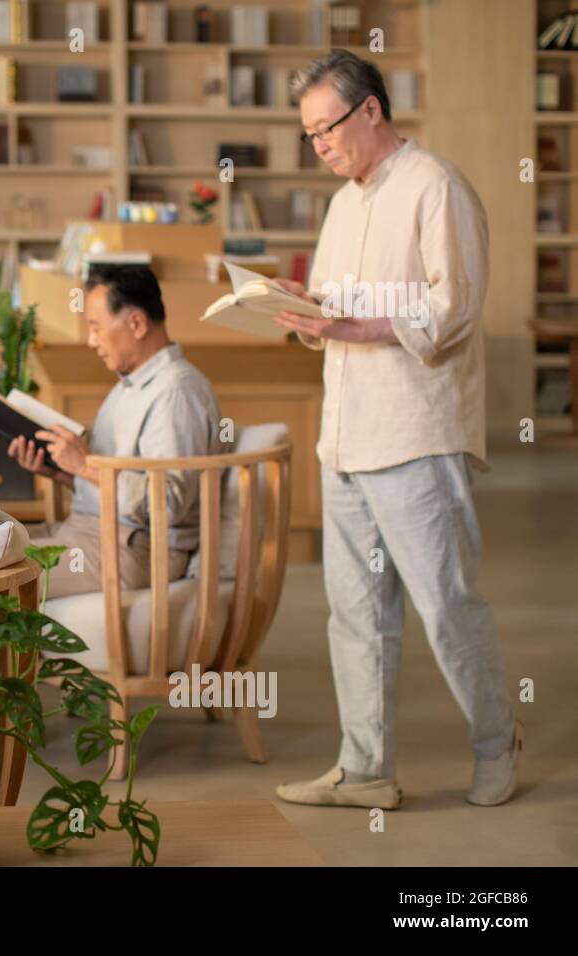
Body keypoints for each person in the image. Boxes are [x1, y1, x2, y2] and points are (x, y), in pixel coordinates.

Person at [269, 50, 521, 810]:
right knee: (356, 612)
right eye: (309, 135)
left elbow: (453, 312)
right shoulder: (344, 204)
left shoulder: (435, 187)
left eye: (327, 128)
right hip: (344, 438)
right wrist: (307, 311)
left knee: (445, 603)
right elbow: (342, 316)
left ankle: (495, 739)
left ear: (371, 110)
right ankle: (366, 769)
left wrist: (354, 321)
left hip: (414, 435)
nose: (320, 146)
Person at [7, 263, 227, 598]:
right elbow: (115, 486)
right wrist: (62, 471)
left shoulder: (176, 392)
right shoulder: (130, 385)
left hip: (135, 549)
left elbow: (166, 505)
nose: (92, 341)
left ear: (136, 323)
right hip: (90, 532)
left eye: (96, 327)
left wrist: (84, 465)